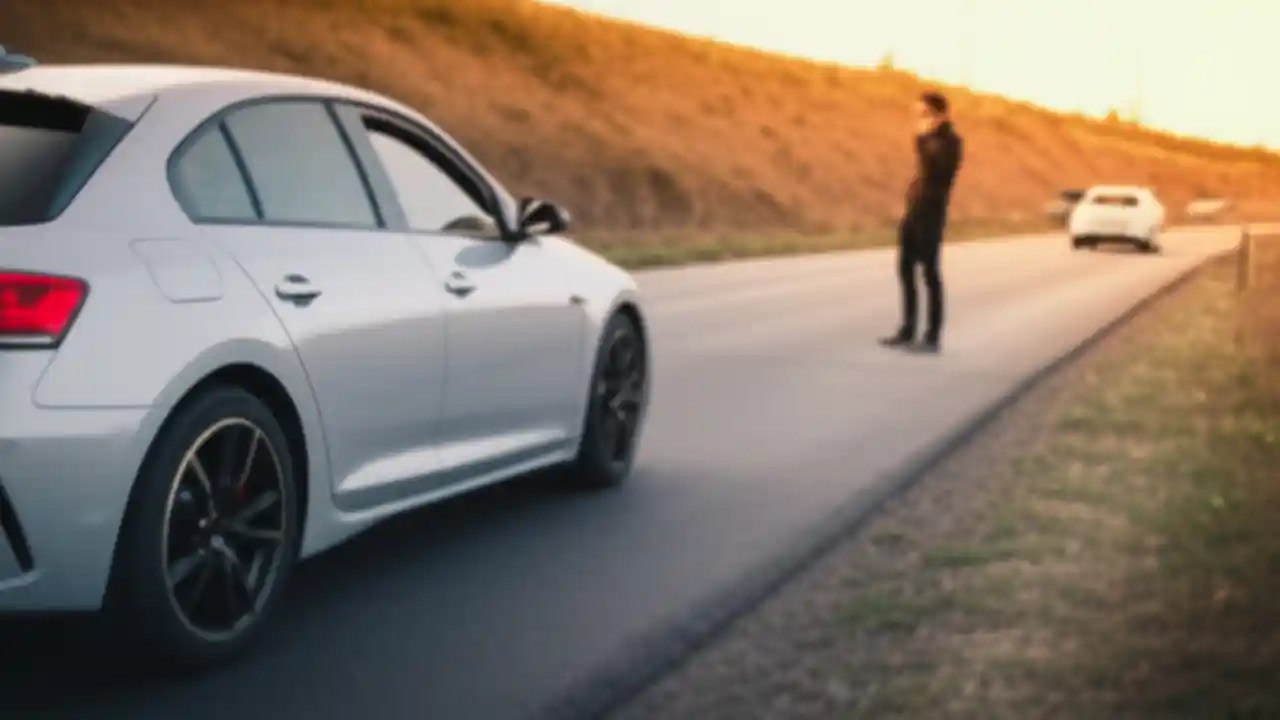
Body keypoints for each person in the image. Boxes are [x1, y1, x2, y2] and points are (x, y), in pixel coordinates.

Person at [881, 91, 963, 354]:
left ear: (940, 114)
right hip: (913, 213)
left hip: (932, 215)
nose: (919, 119)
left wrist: (925, 136)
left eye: (924, 113)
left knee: (930, 274)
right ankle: (907, 329)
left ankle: (932, 337)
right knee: (905, 270)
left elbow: (935, 171)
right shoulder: (926, 140)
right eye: (917, 114)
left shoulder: (951, 141)